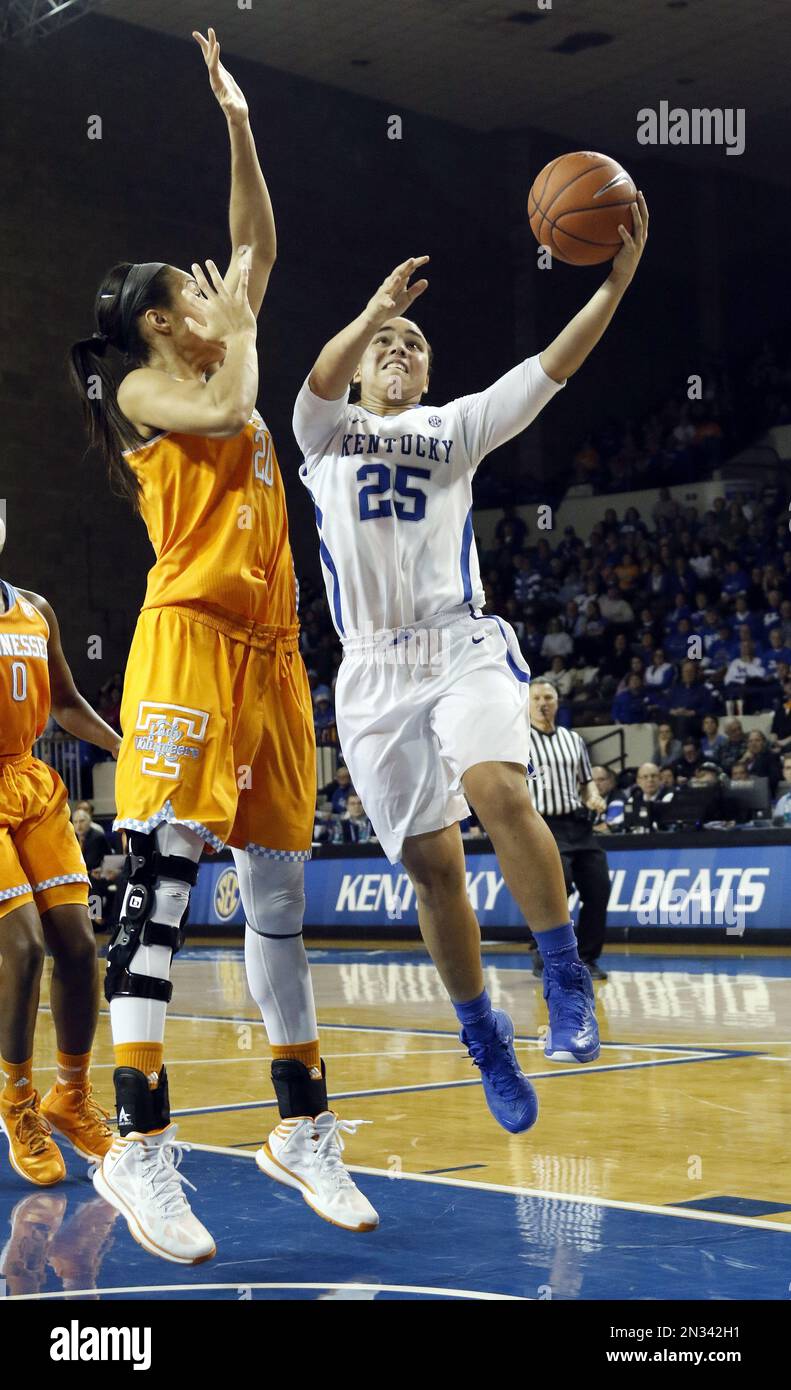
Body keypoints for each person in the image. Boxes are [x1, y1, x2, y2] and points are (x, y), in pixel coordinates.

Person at [68, 29, 376, 1263]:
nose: (222, 296)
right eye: (196, 295)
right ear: (159, 320)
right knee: (158, 898)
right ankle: (138, 1148)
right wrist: (236, 324)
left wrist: (240, 123)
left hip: (271, 653)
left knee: (278, 896)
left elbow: (255, 242)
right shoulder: (145, 393)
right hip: (189, 642)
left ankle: (301, 1123)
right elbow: (231, 401)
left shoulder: (218, 338)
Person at [292, 199, 648, 1121]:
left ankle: (563, 975)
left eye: (414, 343)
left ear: (431, 372)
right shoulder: (323, 432)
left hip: (460, 643)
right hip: (370, 672)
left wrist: (613, 279)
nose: (400, 351)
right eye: (387, 344)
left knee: (497, 787)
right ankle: (484, 1037)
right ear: (364, 362)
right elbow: (320, 376)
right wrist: (373, 311)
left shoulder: (455, 427)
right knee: (434, 870)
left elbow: (553, 367)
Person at [0, 540, 119, 1185]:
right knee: (22, 948)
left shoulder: (35, 610)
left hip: (31, 783)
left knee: (77, 944)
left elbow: (65, 704)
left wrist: (124, 750)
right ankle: (16, 1101)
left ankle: (70, 1095)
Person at [527, 684, 611, 978]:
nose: (542, 703)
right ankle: (544, 953)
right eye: (535, 698)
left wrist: (593, 796)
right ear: (526, 703)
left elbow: (586, 781)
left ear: (558, 702)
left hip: (577, 824)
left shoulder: (573, 739)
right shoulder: (517, 739)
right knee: (556, 885)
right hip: (542, 824)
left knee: (599, 888)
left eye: (548, 698)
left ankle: (587, 958)